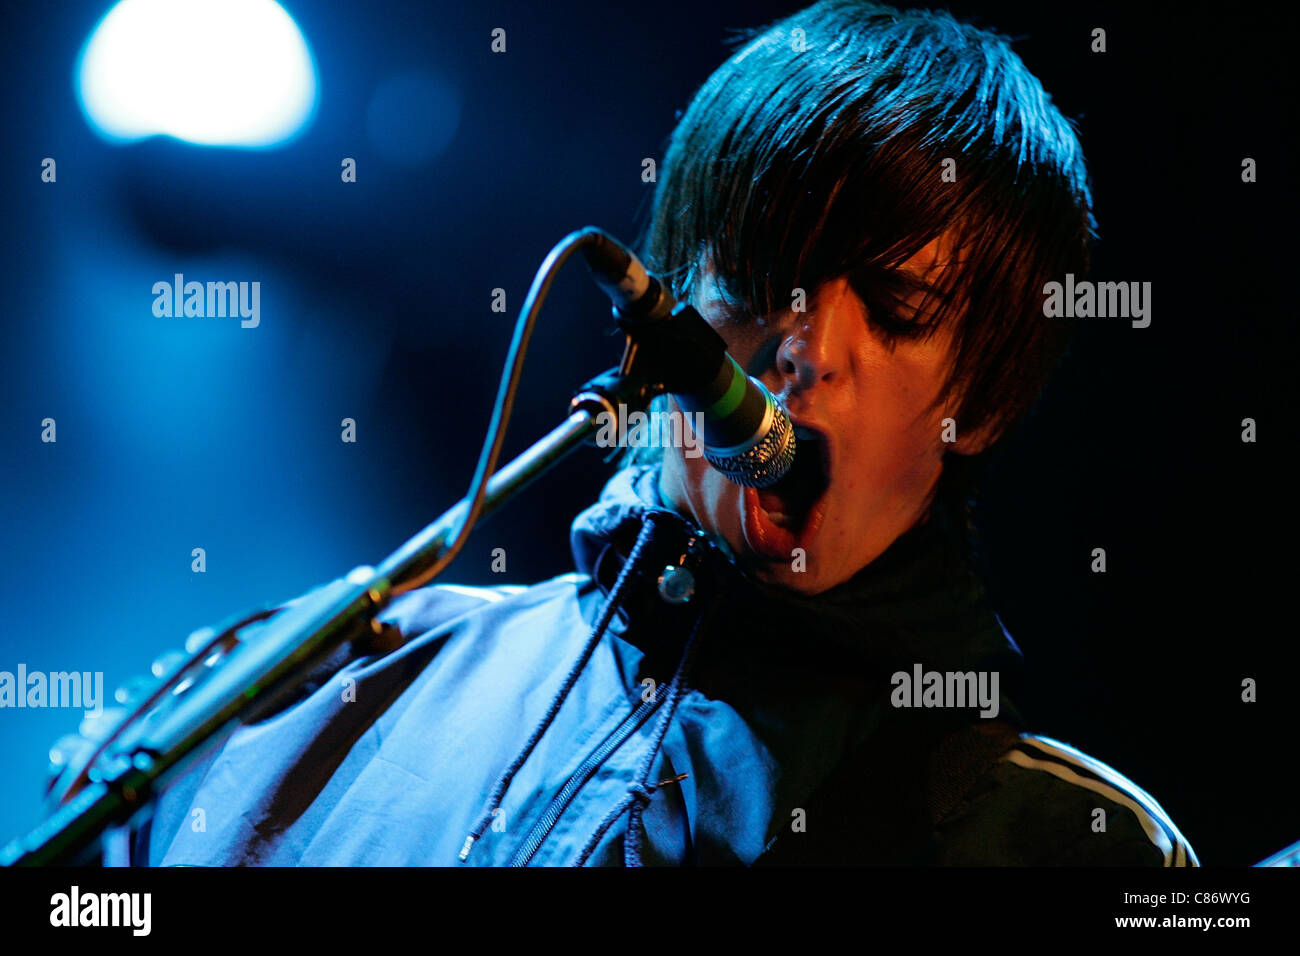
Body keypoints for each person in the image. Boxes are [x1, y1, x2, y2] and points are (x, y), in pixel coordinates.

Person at [49, 0, 1196, 866]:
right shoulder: (320, 690)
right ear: (670, 305)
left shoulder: (1061, 843)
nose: (804, 350)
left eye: (893, 312)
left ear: (981, 402)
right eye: (758, 278)